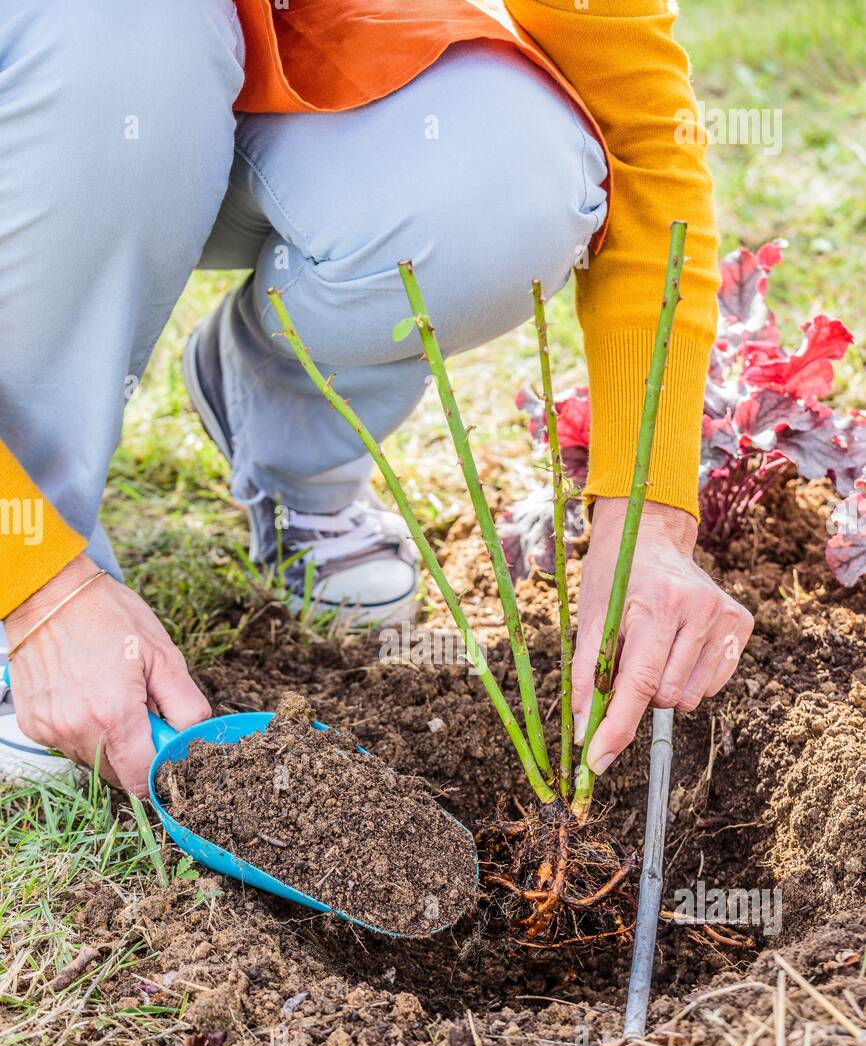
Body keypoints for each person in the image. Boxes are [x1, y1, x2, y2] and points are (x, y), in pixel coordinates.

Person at [0, 0, 753, 793]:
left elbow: (637, 130)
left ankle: (283, 433)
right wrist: (35, 586)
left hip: (268, 76)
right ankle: (39, 577)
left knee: (508, 181)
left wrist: (649, 520)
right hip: (57, 91)